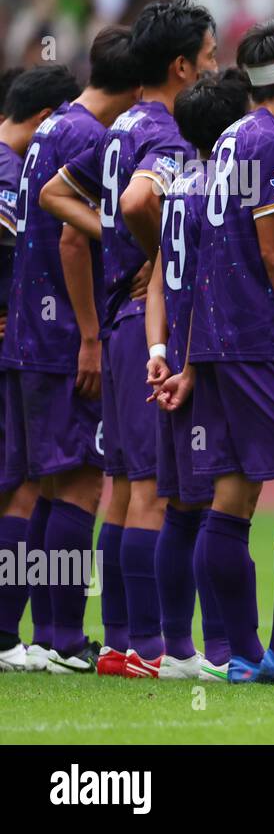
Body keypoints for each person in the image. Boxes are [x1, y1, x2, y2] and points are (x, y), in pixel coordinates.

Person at [44, 0, 218, 678]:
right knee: (152, 490)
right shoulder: (169, 134)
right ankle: (149, 646)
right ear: (182, 65)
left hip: (115, 323)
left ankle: (120, 642)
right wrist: (159, 254)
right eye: (207, 59)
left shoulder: (120, 127)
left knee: (121, 487)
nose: (213, 69)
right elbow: (142, 203)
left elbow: (60, 193)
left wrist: (124, 244)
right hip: (143, 322)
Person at [184, 19, 274, 684]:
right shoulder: (272, 141)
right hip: (259, 341)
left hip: (217, 339)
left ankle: (241, 655)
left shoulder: (231, 138)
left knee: (232, 496)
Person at [5, 30, 137, 674]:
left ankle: (23, 633)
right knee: (80, 484)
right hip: (61, 340)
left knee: (45, 485)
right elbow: (70, 240)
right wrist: (90, 333)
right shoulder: (88, 138)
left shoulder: (55, 126)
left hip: (35, 333)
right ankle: (57, 637)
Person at [143, 68, 252, 681]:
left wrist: (155, 347)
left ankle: (177, 650)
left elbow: (160, 275)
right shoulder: (224, 190)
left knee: (182, 506)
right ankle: (221, 649)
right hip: (205, 363)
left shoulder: (180, 184)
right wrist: (185, 361)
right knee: (218, 504)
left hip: (176, 358)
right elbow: (211, 285)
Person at [0, 65, 82, 671]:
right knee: (29, 486)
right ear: (46, 117)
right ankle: (8, 634)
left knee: (24, 484)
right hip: (29, 345)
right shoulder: (7, 169)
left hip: (22, 343)